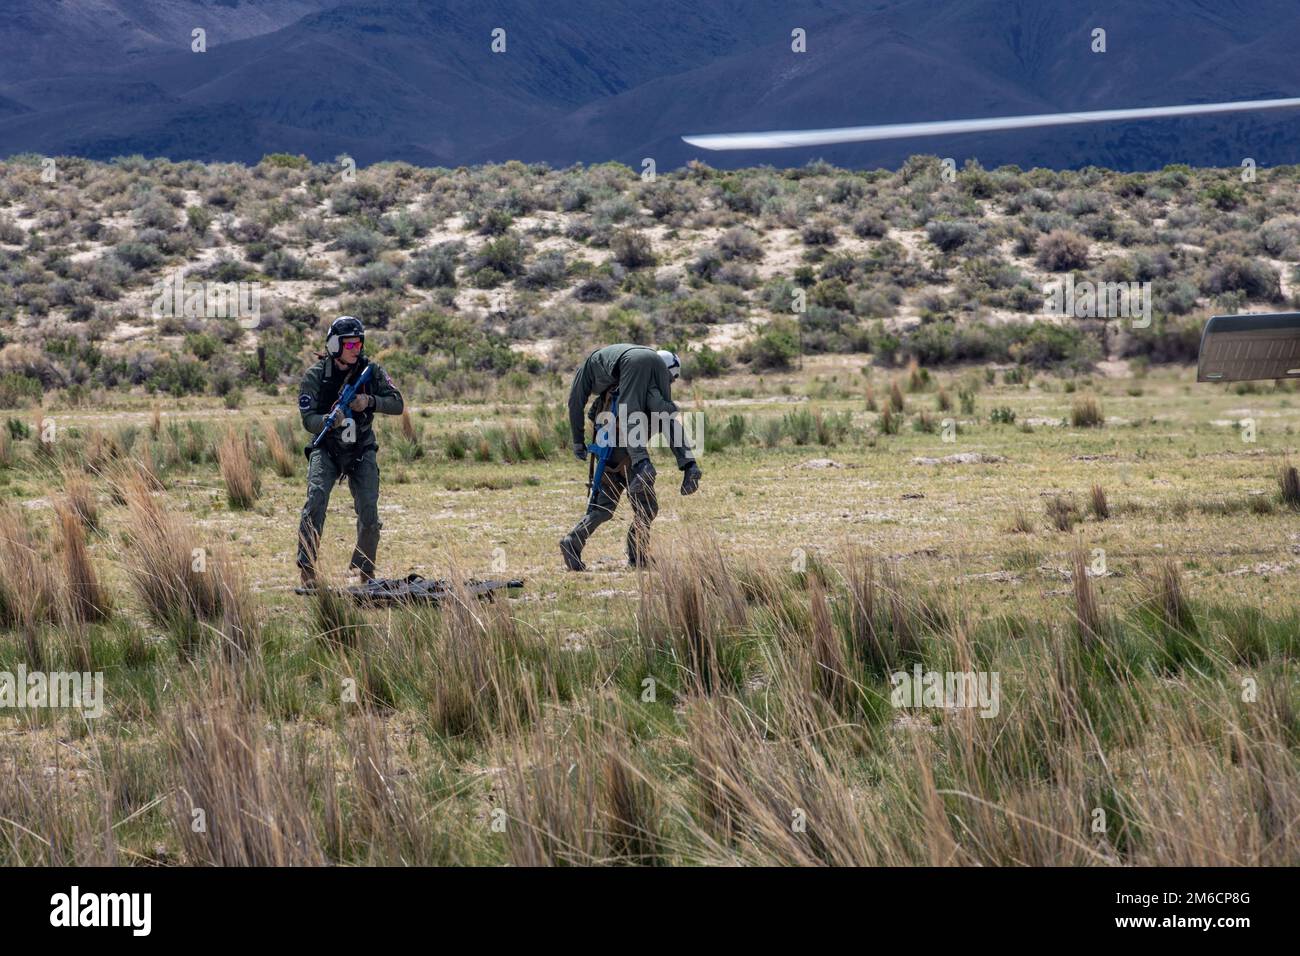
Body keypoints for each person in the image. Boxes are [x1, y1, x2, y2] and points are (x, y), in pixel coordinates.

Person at [561, 345, 702, 571]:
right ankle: (636, 554)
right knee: (647, 506)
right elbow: (666, 419)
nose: (670, 385)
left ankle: (573, 541)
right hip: (627, 455)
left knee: (603, 508)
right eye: (671, 380)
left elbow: (583, 409)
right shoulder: (645, 387)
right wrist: (687, 461)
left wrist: (579, 441)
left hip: (609, 454)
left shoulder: (617, 384)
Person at [296, 316, 404, 587]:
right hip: (328, 448)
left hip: (361, 449)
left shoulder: (371, 371)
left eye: (359, 343)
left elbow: (397, 403)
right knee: (316, 501)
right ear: (335, 345)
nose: (357, 348)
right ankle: (307, 569)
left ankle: (366, 573)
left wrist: (368, 401)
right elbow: (308, 419)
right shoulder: (315, 375)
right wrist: (328, 420)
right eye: (350, 344)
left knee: (369, 511)